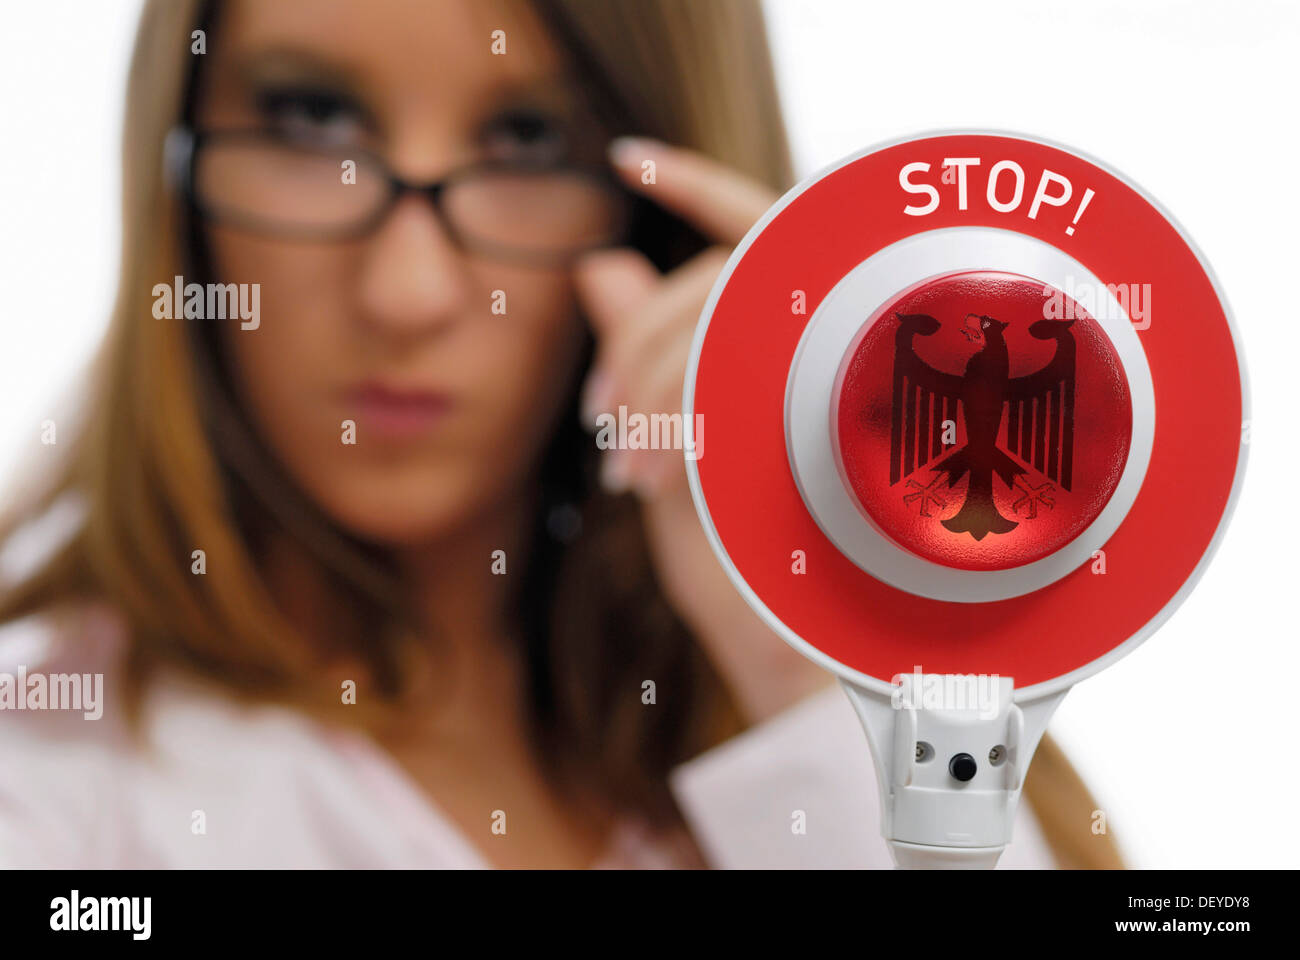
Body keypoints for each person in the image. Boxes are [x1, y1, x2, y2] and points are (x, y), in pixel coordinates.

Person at [0, 0, 1122, 869]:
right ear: (176, 166)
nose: (406, 291)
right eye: (311, 120)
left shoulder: (876, 734)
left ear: (662, 215)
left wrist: (803, 649)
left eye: (530, 139)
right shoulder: (46, 785)